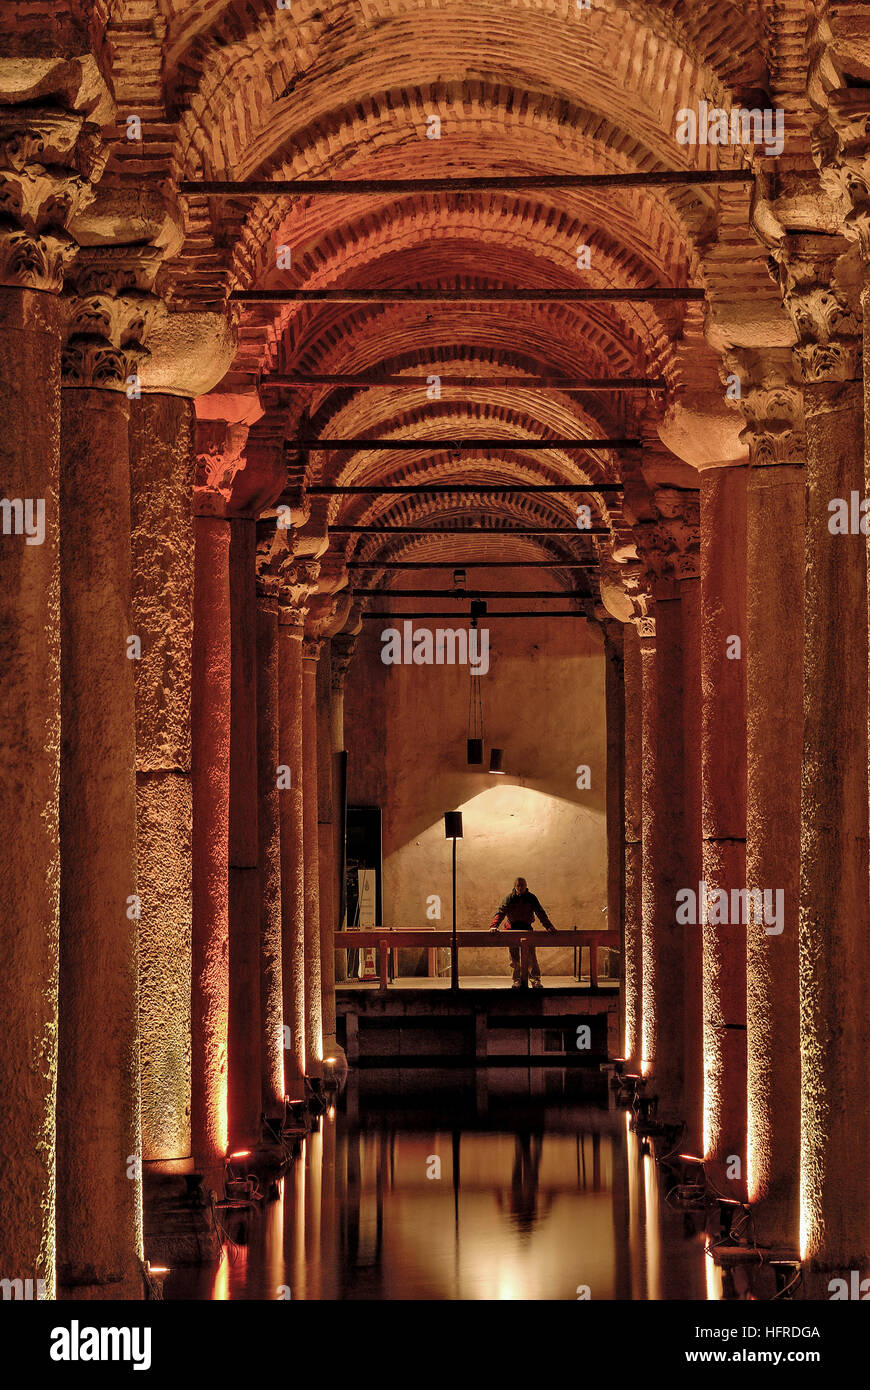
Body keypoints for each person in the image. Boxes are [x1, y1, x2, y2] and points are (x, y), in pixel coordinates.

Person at [489, 877, 556, 988]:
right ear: (515, 887)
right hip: (512, 929)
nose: (520, 888)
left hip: (526, 928)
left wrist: (549, 926)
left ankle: (535, 979)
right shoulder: (509, 898)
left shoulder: (531, 898)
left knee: (531, 955)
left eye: (522, 886)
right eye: (518, 886)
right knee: (514, 956)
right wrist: (493, 926)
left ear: (526, 886)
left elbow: (540, 912)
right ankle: (517, 980)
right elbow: (500, 912)